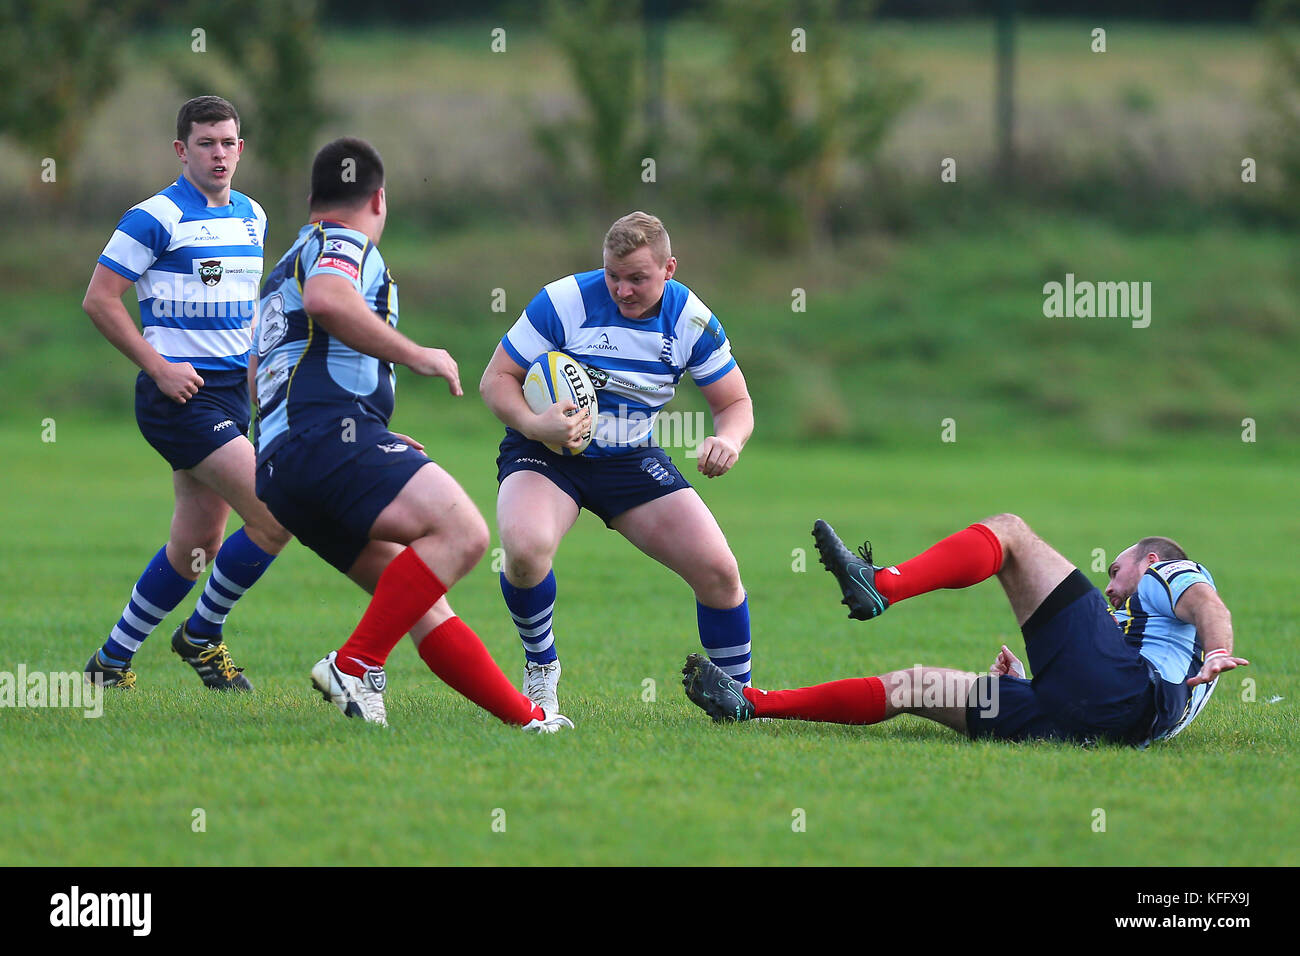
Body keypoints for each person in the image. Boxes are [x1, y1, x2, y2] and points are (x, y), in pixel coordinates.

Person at [254, 136, 570, 732]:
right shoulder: (341, 240)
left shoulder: (283, 265)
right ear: (379, 199)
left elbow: (262, 377)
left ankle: (529, 720)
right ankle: (355, 664)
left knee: (419, 601)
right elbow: (328, 298)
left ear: (310, 197)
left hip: (280, 466)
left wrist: (372, 439)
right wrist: (418, 355)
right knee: (466, 533)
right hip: (322, 441)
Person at [479, 211, 755, 716]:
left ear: (669, 269)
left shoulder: (690, 319)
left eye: (637, 278)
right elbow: (496, 379)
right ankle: (542, 667)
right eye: (613, 275)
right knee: (524, 550)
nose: (622, 290)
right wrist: (536, 424)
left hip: (629, 459)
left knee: (719, 571)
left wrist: (729, 441)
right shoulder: (564, 302)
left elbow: (734, 404)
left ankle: (738, 700)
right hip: (545, 452)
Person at [683, 515, 1245, 747]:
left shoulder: (1166, 573)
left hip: (1132, 696)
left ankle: (884, 583)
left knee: (1012, 536)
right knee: (915, 686)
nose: (1110, 585)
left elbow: (1207, 604)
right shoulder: (1142, 631)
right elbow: (1104, 669)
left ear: (1149, 562)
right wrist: (1042, 682)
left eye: (1116, 570)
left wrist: (1219, 649)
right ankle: (753, 704)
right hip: (1102, 720)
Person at [82, 96, 292, 691]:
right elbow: (99, 299)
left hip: (232, 394)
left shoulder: (253, 216)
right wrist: (159, 366)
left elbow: (245, 316)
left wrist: (262, 384)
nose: (218, 153)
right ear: (182, 150)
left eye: (228, 142)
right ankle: (202, 636)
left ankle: (109, 664)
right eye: (206, 143)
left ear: (241, 148)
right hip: (178, 394)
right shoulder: (153, 217)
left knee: (198, 542)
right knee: (276, 514)